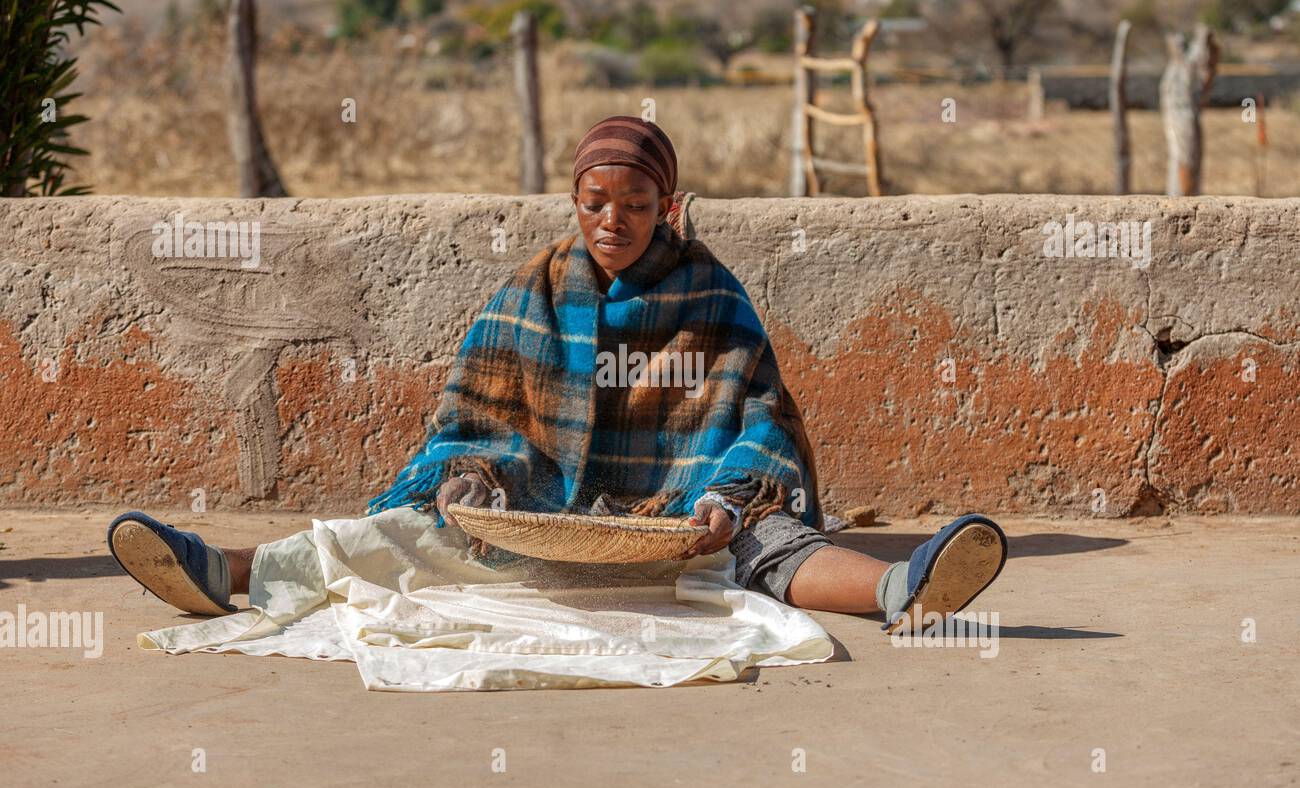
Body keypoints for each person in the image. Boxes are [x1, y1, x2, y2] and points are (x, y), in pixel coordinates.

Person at [107, 116, 1007, 635]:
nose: (614, 221)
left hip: (680, 516)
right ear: (573, 203)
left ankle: (903, 589)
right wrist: (467, 482)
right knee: (403, 534)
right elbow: (470, 419)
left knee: (770, 548)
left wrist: (727, 498)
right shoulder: (529, 291)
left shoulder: (710, 293)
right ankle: (217, 571)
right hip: (534, 510)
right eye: (595, 204)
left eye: (638, 206)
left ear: (670, 207)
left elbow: (762, 413)